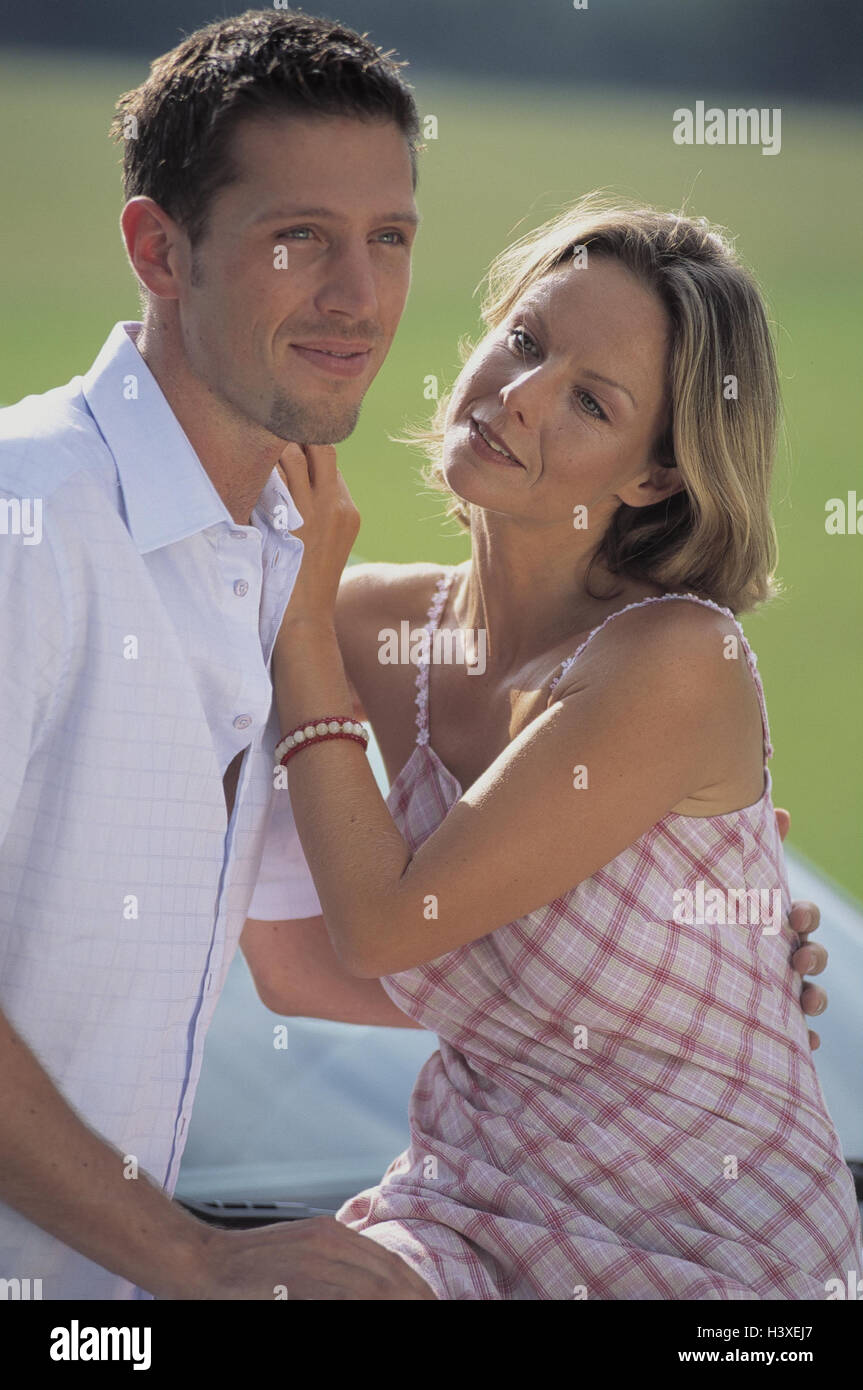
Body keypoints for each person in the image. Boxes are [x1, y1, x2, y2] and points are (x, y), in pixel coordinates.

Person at [258, 195, 860, 1299]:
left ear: (653, 476)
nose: (518, 396)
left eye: (588, 400)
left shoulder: (676, 657)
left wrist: (297, 636)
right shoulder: (363, 628)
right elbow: (293, 963)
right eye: (525, 340)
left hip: (713, 1256)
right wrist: (624, 997)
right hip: (466, 1210)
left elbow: (388, 924)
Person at [0, 10, 435, 1300]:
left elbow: (300, 950)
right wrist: (189, 1254)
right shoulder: (28, 520)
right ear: (159, 248)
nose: (359, 298)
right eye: (299, 237)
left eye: (389, 239)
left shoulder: (275, 550)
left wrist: (667, 975)